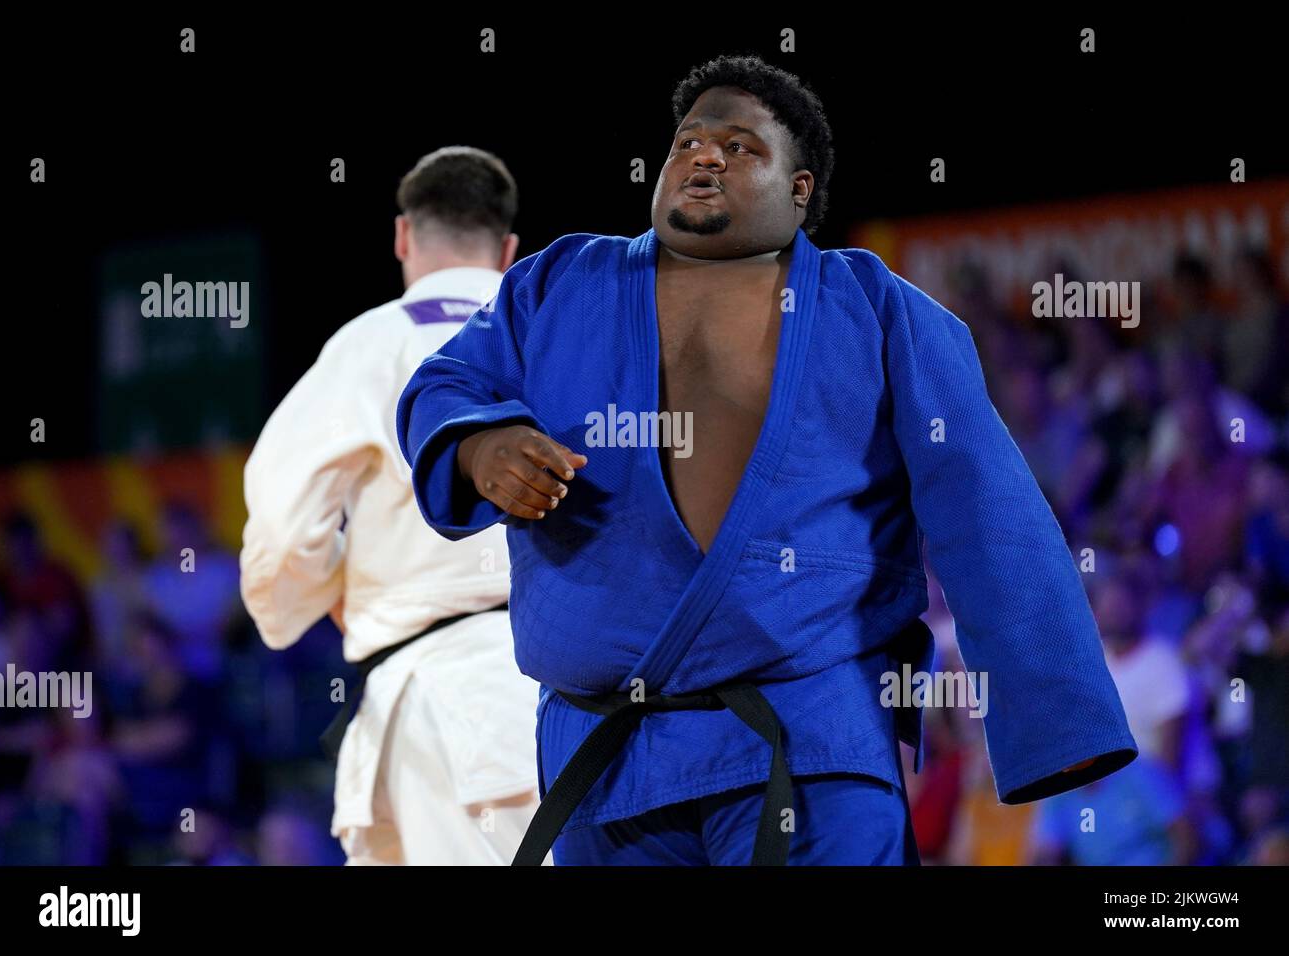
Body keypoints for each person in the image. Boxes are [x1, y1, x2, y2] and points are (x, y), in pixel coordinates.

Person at [397, 57, 1137, 866]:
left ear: (799, 189)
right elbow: (448, 383)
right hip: (607, 760)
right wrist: (478, 444)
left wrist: (1055, 724)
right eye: (689, 142)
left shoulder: (883, 312)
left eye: (741, 146)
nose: (705, 156)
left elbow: (989, 517)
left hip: (811, 742)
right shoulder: (559, 282)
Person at [241, 147, 544, 865]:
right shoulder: (560, 337)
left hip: (433, 700)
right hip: (560, 686)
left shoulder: (367, 344)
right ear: (507, 249)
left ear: (403, 236)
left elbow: (286, 534)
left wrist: (307, 601)